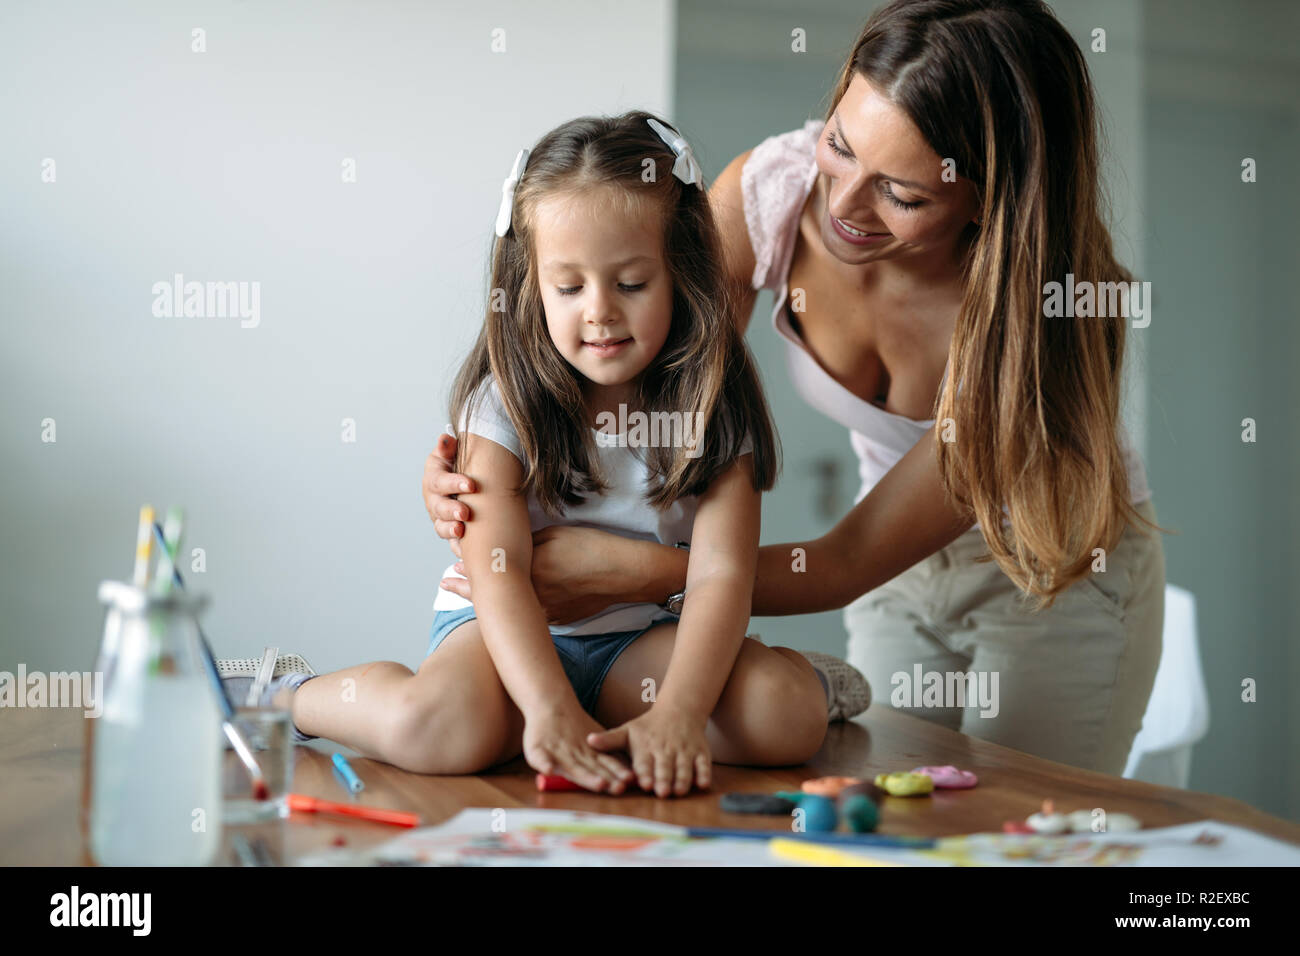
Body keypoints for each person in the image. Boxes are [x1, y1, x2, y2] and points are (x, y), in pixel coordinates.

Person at [425, 0, 1167, 777]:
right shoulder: (774, 194)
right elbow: (634, 370)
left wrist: (637, 572)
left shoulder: (1048, 318)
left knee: (1024, 826)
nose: (843, 206)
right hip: (903, 581)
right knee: (899, 809)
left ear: (992, 197)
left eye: (903, 195)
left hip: (1052, 575)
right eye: (841, 146)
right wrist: (480, 467)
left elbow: (841, 563)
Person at [229, 111, 869, 800]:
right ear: (530, 284)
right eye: (569, 287)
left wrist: (680, 713)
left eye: (631, 284)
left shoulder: (716, 401)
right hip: (504, 632)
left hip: (639, 639)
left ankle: (770, 682)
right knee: (437, 731)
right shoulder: (501, 402)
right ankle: (282, 695)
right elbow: (499, 574)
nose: (599, 311)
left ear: (682, 273)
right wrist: (544, 706)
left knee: (785, 715)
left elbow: (721, 576)